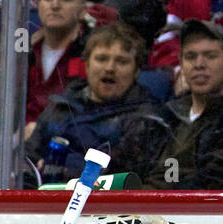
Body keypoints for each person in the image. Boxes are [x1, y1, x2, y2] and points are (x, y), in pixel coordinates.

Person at [25, 22, 167, 184]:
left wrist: (66, 173)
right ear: (86, 65)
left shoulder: (147, 120)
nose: (110, 68)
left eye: (122, 61)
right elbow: (28, 159)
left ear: (136, 71)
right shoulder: (60, 106)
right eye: (101, 59)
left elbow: (120, 174)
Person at [146, 18, 223, 189]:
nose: (199, 65)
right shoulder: (163, 117)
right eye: (190, 56)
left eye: (210, 56)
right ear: (181, 62)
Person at [25, 0, 118, 129]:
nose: (55, 5)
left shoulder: (96, 53)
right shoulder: (25, 51)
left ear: (83, 9)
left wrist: (40, 131)